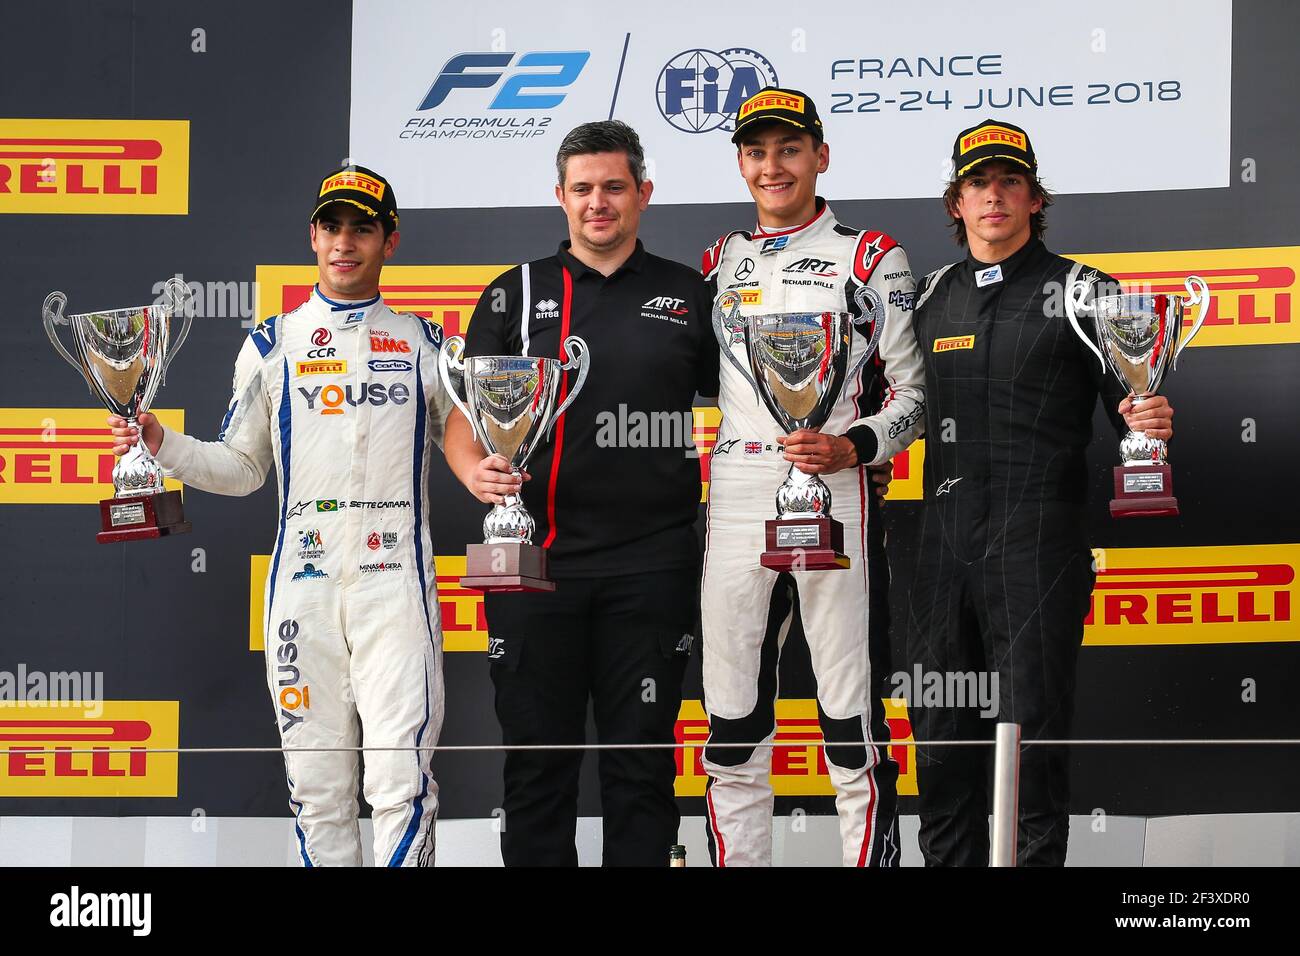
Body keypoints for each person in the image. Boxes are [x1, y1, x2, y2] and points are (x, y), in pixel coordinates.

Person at [110, 165, 452, 867]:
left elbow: (473, 445)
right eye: (333, 226)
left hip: (397, 588)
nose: (345, 242)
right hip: (303, 585)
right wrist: (159, 443)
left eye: (363, 227)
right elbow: (241, 468)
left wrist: (503, 468)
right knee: (318, 790)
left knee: (401, 784)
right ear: (312, 237)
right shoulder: (273, 343)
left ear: (391, 240)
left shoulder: (427, 342)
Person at [444, 121, 719, 866]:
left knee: (642, 770)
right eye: (583, 189)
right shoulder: (514, 294)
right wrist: (476, 473)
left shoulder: (690, 295)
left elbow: (754, 412)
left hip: (652, 570)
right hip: (533, 567)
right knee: (538, 767)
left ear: (644, 194)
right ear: (560, 197)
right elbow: (460, 422)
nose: (599, 203)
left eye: (615, 187)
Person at [908, 119, 1175, 866]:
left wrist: (1147, 416)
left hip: (1037, 544)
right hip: (939, 549)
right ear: (955, 204)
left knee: (1028, 739)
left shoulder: (1087, 291)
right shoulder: (928, 298)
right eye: (977, 184)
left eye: (1009, 182)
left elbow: (1132, 402)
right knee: (939, 741)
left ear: (1034, 197)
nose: (994, 195)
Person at [699, 88, 925, 867]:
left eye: (789, 149)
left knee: (851, 720)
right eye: (756, 152)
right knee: (730, 726)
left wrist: (856, 445)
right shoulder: (719, 258)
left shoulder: (872, 254)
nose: (773, 166)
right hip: (734, 494)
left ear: (820, 156)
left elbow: (915, 395)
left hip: (837, 490)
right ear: (740, 163)